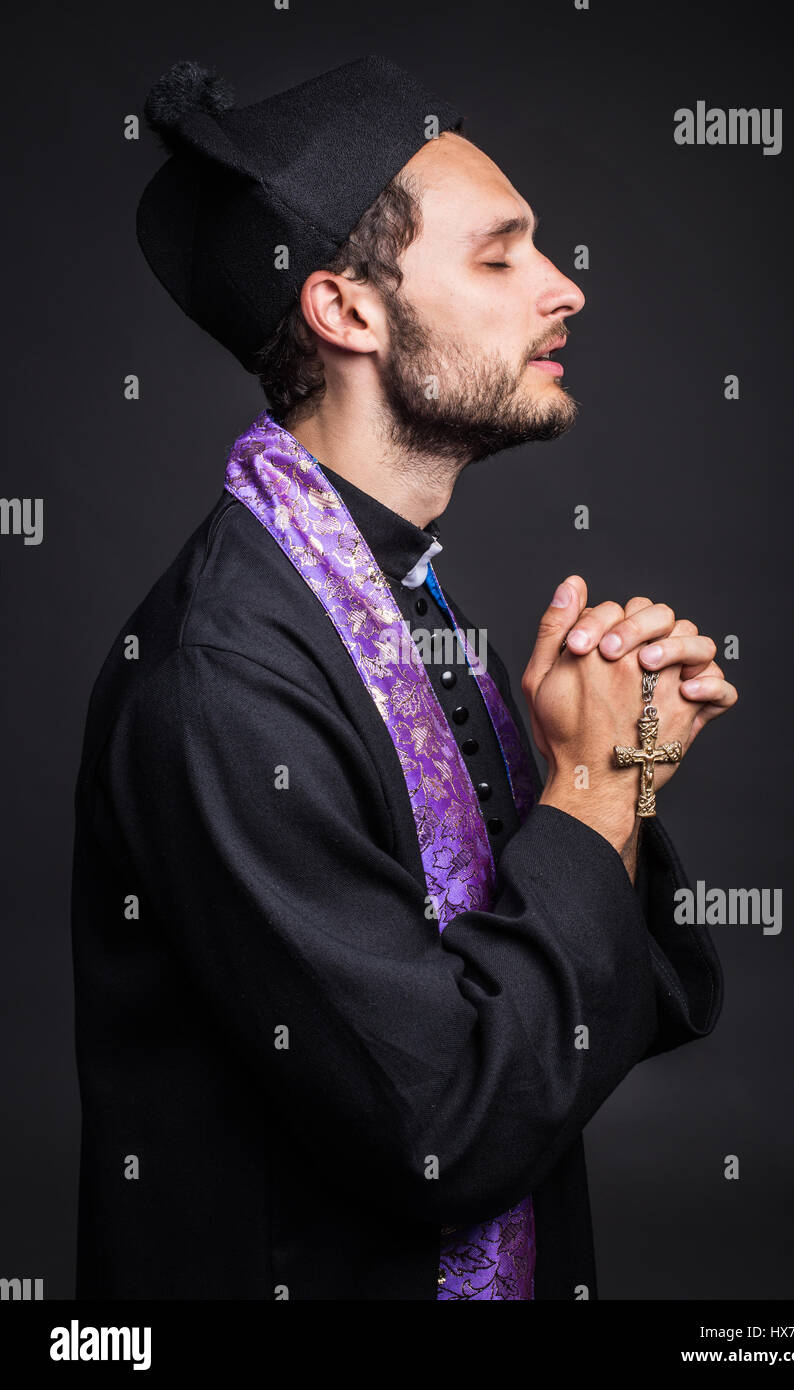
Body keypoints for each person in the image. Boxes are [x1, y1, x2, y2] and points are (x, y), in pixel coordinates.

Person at [71, 54, 736, 1301]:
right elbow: (451, 1127)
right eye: (500, 256)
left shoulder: (399, 605)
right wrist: (589, 785)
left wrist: (622, 769)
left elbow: (568, 1011)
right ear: (347, 313)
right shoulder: (227, 676)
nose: (563, 286)